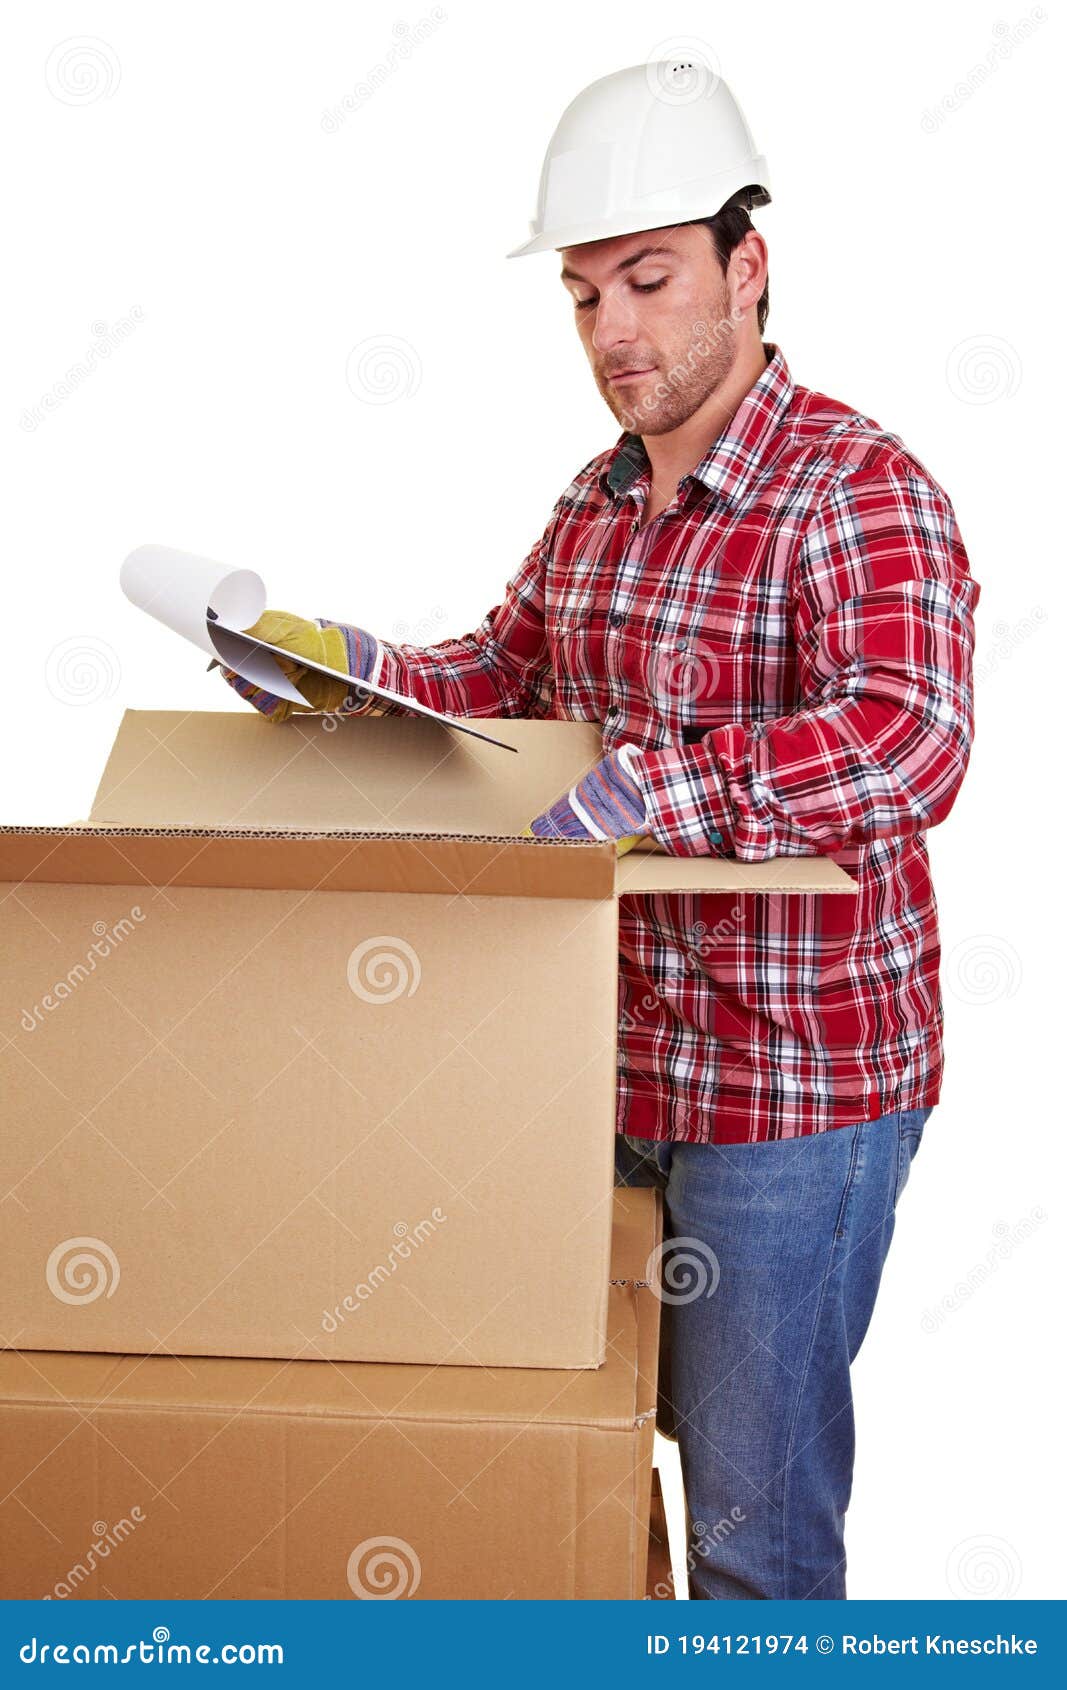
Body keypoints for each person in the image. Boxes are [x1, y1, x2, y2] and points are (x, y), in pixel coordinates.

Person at [220, 62, 980, 1600]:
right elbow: (503, 677)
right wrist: (343, 674)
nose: (612, 331)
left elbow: (913, 736)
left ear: (744, 265)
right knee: (571, 1451)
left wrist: (675, 784)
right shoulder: (598, 498)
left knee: (750, 1539)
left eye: (645, 279)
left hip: (793, 1091)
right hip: (607, 1067)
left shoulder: (861, 489)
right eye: (580, 297)